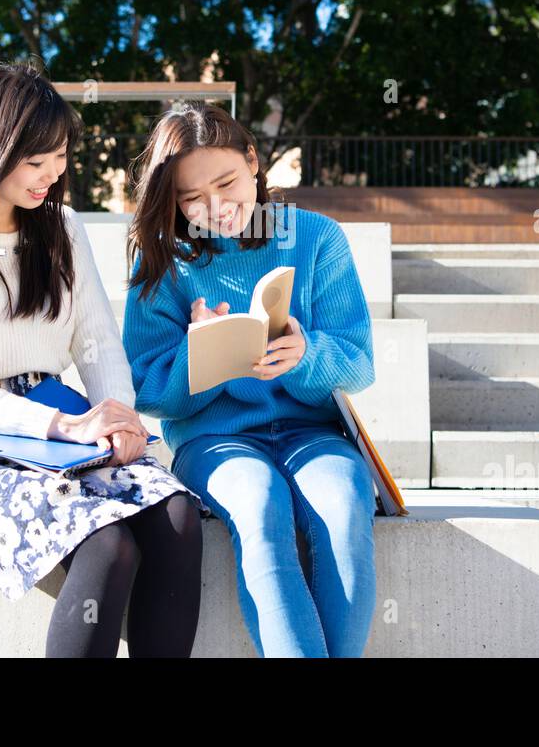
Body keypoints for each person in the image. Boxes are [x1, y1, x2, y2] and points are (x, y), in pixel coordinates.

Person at [0, 61, 205, 657]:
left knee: (179, 519)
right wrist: (61, 425)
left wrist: (118, 416)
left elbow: (96, 343)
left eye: (60, 157)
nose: (52, 174)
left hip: (68, 420)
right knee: (109, 545)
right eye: (36, 161)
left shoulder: (62, 227)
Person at [120, 100, 379, 657]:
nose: (216, 207)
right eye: (191, 197)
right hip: (214, 440)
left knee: (344, 506)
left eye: (227, 182)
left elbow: (359, 363)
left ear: (254, 161)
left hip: (313, 433)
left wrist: (306, 353)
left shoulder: (314, 237)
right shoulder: (163, 260)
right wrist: (199, 355)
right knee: (260, 507)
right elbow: (146, 389)